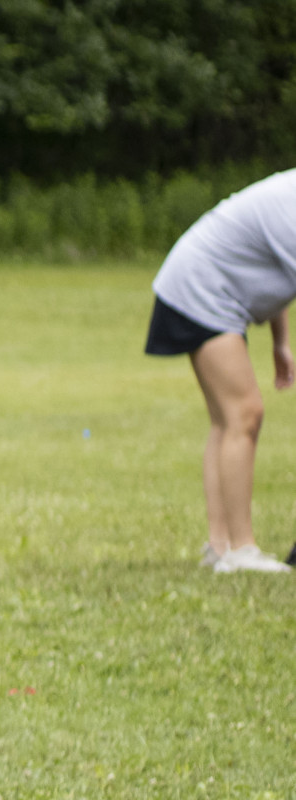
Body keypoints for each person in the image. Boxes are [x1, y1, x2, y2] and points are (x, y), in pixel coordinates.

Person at [144, 168, 296, 573]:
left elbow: (272, 268)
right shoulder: (291, 204)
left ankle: (222, 545)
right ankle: (241, 551)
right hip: (202, 289)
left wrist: (280, 342)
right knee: (244, 413)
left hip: (200, 286)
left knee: (226, 420)